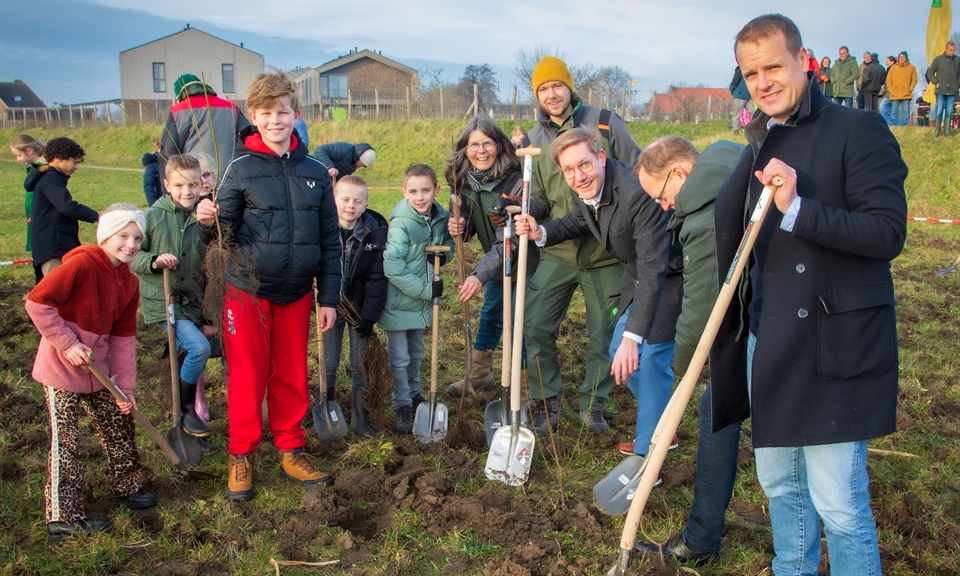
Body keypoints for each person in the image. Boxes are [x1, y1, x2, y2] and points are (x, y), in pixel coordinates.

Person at [712, 14, 907, 575]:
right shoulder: (761, 138)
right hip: (768, 338)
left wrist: (797, 209)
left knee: (839, 503)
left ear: (804, 60)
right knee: (780, 486)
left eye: (773, 66)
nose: (763, 81)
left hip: (832, 343)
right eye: (751, 73)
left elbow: (887, 233)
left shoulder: (859, 129)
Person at [195, 69, 342, 501]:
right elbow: (218, 236)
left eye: (283, 111)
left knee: (294, 374)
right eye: (266, 112)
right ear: (253, 116)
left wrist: (328, 297)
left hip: (297, 291)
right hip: (248, 289)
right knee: (248, 373)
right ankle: (241, 453)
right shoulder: (238, 168)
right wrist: (209, 221)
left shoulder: (315, 171)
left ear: (296, 115)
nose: (275, 120)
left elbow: (331, 241)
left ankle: (291, 447)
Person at [515, 126, 680, 460]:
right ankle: (662, 419)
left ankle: (649, 451)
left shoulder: (636, 193)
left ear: (601, 157)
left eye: (585, 165)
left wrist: (636, 336)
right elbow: (579, 220)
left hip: (674, 274)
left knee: (648, 360)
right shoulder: (584, 188)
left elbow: (654, 265)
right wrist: (541, 231)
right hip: (640, 274)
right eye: (569, 170)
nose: (578, 176)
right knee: (621, 352)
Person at [632, 135, 744, 566]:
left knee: (716, 416)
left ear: (680, 171)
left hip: (763, 331)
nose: (663, 206)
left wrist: (682, 371)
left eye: (661, 195)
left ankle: (700, 541)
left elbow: (701, 302)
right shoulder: (728, 156)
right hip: (769, 320)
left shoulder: (701, 212)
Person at [522, 56, 641, 435]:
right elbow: (540, 197)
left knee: (603, 333)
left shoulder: (604, 122)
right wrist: (525, 209)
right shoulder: (532, 141)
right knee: (536, 325)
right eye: (543, 89)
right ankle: (546, 402)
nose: (552, 94)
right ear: (537, 96)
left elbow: (637, 169)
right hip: (557, 250)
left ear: (570, 87)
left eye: (557, 85)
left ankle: (594, 405)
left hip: (605, 252)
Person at [25, 203, 157, 542]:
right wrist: (67, 343)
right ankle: (63, 516)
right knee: (66, 439)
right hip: (61, 367)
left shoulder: (129, 282)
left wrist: (125, 387)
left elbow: (124, 338)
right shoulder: (82, 264)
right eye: (123, 236)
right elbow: (37, 304)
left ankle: (126, 486)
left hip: (100, 371)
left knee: (119, 421)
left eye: (138, 238)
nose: (130, 245)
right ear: (106, 236)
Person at [443, 116, 546, 396]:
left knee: (518, 318)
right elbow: (470, 221)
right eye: (474, 144)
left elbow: (508, 238)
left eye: (487, 143)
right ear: (465, 149)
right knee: (491, 313)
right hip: (498, 262)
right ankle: (479, 375)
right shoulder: (464, 182)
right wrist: (460, 226)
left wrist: (479, 275)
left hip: (526, 260)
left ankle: (523, 386)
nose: (481, 151)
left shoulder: (514, 182)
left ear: (499, 145)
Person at [133, 154, 212, 439]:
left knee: (207, 348)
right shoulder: (152, 217)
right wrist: (154, 260)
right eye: (179, 185)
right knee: (199, 348)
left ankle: (191, 407)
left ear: (202, 183)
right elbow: (132, 257)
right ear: (166, 184)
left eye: (192, 184)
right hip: (165, 303)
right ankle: (187, 409)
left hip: (196, 302)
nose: (186, 191)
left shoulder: (203, 216)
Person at [378, 164, 454, 433]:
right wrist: (425, 290)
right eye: (413, 191)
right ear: (404, 192)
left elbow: (448, 245)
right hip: (399, 303)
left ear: (437, 190)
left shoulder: (439, 217)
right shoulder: (401, 225)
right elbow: (393, 267)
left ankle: (415, 393)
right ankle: (401, 404)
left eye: (426, 190)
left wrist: (444, 255)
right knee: (399, 358)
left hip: (420, 305)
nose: (420, 197)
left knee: (417, 353)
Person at [325, 175, 388, 437]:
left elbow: (377, 278)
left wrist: (369, 316)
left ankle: (360, 416)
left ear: (365, 205)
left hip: (359, 308)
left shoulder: (374, 234)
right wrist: (323, 300)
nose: (351, 205)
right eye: (345, 199)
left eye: (357, 201)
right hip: (329, 306)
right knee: (328, 362)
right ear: (334, 200)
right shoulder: (324, 230)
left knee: (358, 362)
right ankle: (326, 408)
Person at [25, 137, 99, 280]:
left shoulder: (53, 177)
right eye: (74, 162)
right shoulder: (50, 178)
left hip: (57, 244)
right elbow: (67, 206)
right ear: (59, 158)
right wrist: (97, 217)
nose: (76, 167)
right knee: (56, 288)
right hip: (52, 248)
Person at [160, 73, 249, 192]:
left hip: (195, 182)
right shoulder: (231, 108)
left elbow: (168, 152)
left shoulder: (179, 111)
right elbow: (249, 139)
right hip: (229, 179)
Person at [9, 134, 46, 283]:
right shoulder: (36, 168)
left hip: (41, 221)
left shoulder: (43, 167)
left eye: (18, 155)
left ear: (29, 150)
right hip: (35, 218)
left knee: (41, 262)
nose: (18, 159)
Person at [927, 41, 959, 137]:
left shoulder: (958, 60)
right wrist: (936, 82)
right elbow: (930, 72)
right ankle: (937, 131)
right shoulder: (938, 59)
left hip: (953, 89)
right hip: (940, 89)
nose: (952, 52)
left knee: (949, 110)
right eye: (950, 50)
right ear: (946, 49)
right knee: (939, 109)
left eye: (953, 50)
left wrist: (958, 84)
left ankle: (947, 131)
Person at [886, 51, 918, 127]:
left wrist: (910, 89)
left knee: (906, 112)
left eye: (903, 57)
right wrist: (891, 89)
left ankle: (904, 127)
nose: (901, 59)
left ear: (906, 58)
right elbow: (888, 80)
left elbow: (914, 80)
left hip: (906, 94)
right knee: (893, 111)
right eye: (900, 57)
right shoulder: (893, 68)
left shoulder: (912, 68)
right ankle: (893, 126)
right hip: (895, 94)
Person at [730, 66, 751, 134]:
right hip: (739, 96)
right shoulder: (739, 71)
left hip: (748, 96)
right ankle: (735, 130)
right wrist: (734, 92)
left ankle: (753, 129)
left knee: (753, 112)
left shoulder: (750, 69)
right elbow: (733, 83)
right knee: (737, 114)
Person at [142, 139, 162, 207]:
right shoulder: (152, 165)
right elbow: (149, 187)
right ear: (157, 148)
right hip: (160, 203)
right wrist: (154, 206)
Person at [880, 56, 897, 125]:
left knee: (883, 105)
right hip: (888, 92)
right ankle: (895, 124)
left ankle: (888, 123)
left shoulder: (894, 70)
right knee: (892, 109)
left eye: (887, 61)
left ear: (892, 62)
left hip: (892, 92)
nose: (885, 63)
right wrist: (883, 92)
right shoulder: (888, 70)